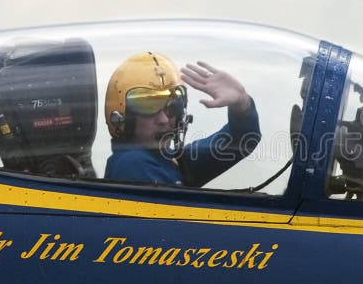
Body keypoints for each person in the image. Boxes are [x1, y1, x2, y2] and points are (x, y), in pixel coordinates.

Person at [104, 51, 260, 186]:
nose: (164, 119)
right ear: (123, 116)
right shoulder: (133, 164)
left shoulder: (172, 160)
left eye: (172, 107)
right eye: (149, 108)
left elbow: (243, 140)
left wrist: (241, 102)